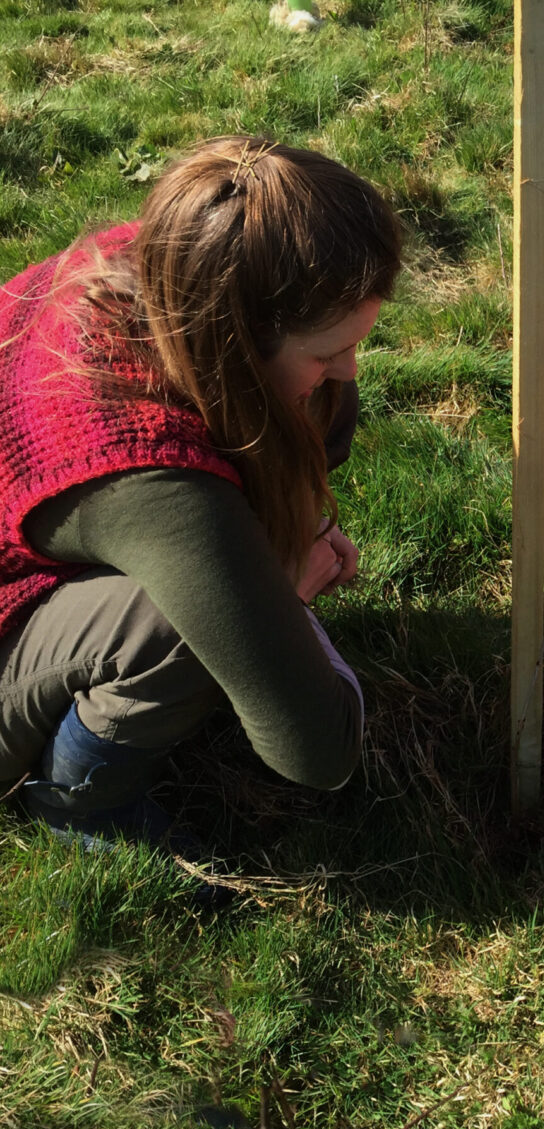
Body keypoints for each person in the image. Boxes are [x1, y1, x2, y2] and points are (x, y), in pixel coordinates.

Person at [0, 135, 402, 856]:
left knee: (313, 415)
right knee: (179, 625)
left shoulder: (180, 261)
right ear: (237, 342)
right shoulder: (146, 471)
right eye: (325, 352)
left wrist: (286, 535)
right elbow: (316, 750)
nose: (350, 367)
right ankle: (80, 801)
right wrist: (284, 591)